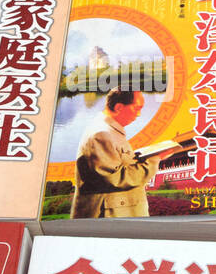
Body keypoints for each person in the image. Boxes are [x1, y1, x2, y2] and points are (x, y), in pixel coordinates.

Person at [71, 90, 177, 218]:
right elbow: (115, 179)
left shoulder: (109, 131)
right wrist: (155, 159)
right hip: (109, 216)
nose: (139, 114)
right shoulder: (101, 134)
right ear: (119, 107)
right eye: (137, 108)